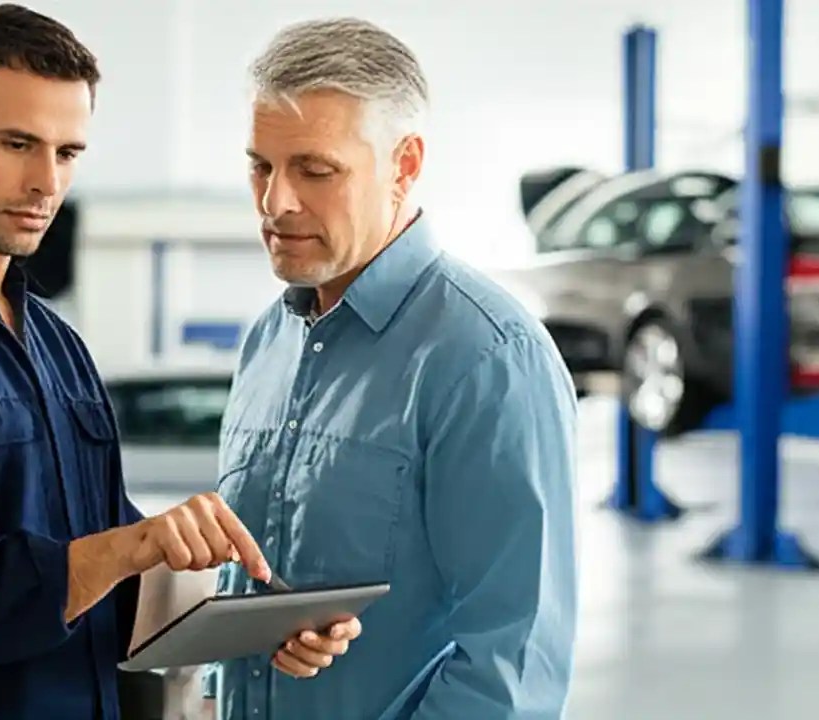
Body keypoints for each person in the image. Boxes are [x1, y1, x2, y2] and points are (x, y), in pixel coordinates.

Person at [0, 6, 355, 719]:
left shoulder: (53, 339)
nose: (47, 182)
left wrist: (266, 622)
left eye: (68, 152)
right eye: (18, 144)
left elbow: (114, 585)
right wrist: (133, 545)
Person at [204, 16, 579, 720]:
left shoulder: (487, 358)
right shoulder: (267, 342)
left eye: (315, 170)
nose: (274, 202)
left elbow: (513, 664)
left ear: (404, 164)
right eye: (260, 166)